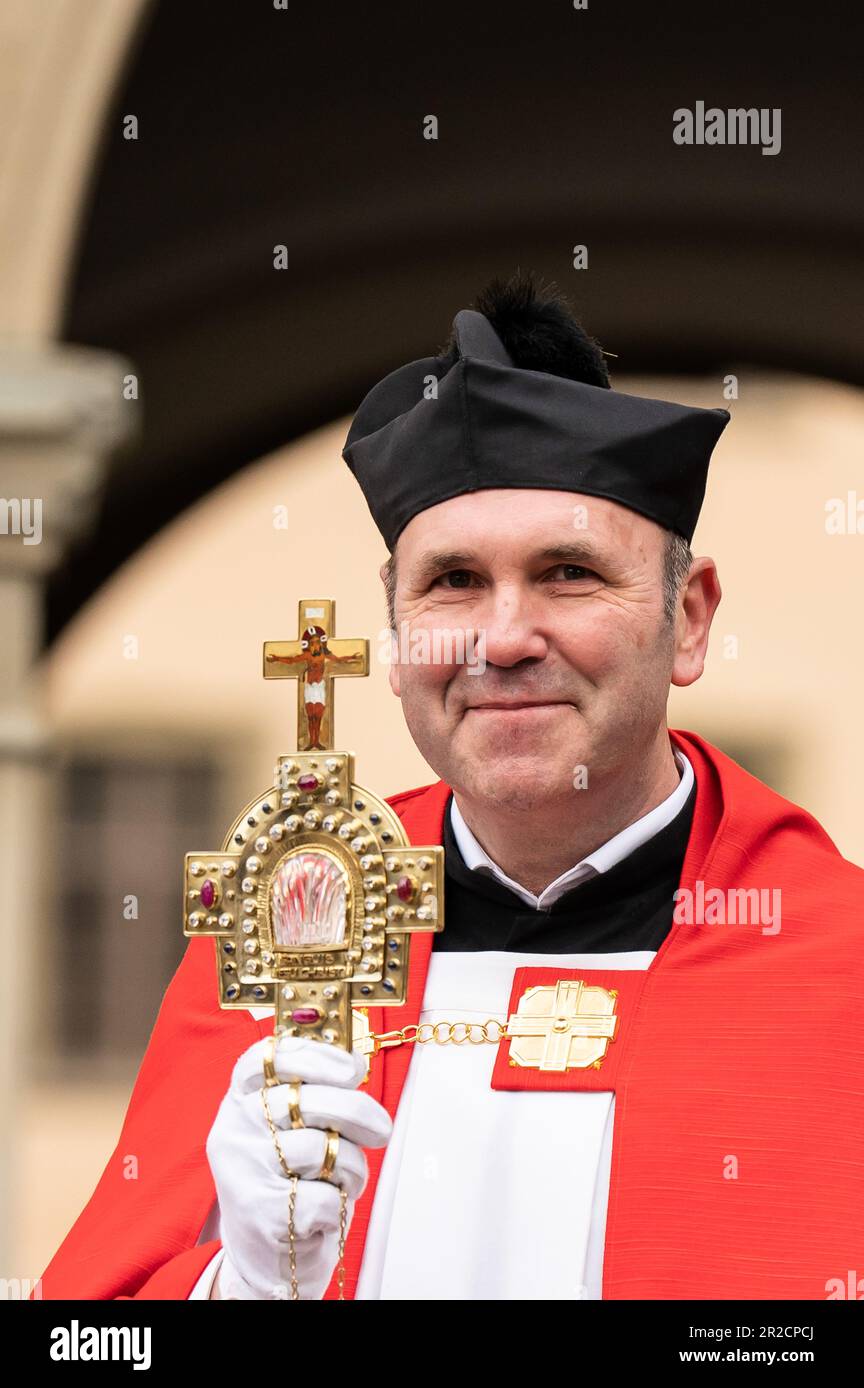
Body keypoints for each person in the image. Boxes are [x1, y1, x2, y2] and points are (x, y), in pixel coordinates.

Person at [41, 271, 863, 1300]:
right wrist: (245, 1284)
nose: (503, 639)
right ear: (395, 636)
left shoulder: (841, 963)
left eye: (569, 572)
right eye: (454, 581)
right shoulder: (299, 929)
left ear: (688, 619)